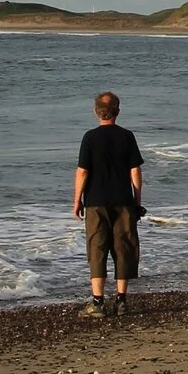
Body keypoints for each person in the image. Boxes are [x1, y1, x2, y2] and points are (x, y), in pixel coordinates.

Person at [72, 90, 144, 316]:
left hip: (96, 201)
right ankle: (121, 300)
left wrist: (77, 200)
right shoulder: (126, 136)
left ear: (96, 112)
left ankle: (98, 302)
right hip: (123, 200)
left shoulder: (90, 137)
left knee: (97, 248)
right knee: (124, 248)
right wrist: (137, 199)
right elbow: (135, 170)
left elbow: (83, 172)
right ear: (118, 111)